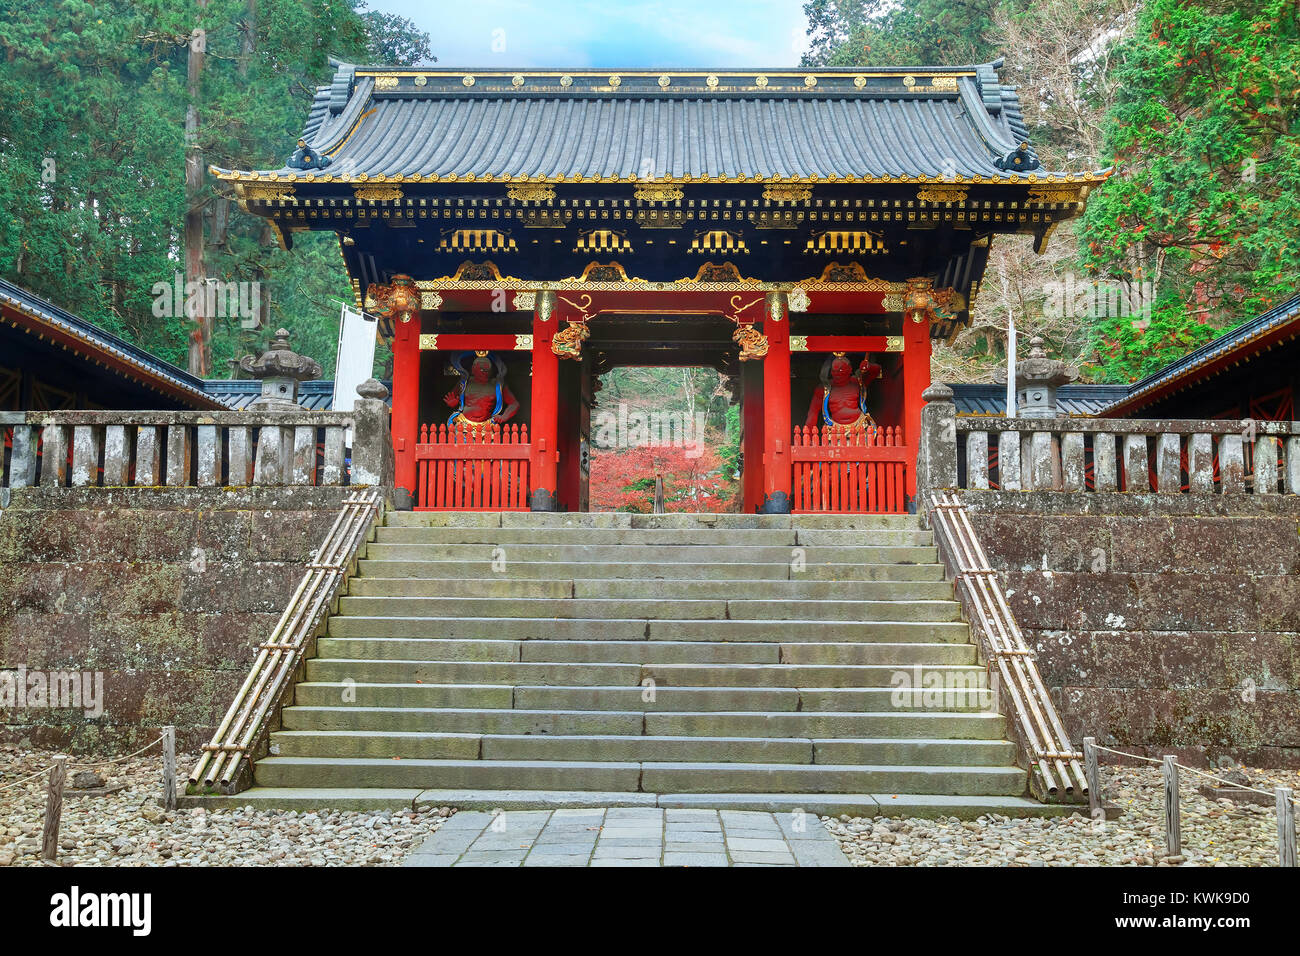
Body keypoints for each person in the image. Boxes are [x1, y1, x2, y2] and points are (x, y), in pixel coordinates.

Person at [805, 353, 882, 429]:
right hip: (835, 428)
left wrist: (868, 366)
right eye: (834, 371)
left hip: (858, 425)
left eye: (841, 370)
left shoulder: (857, 382)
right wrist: (808, 435)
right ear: (831, 372)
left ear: (849, 370)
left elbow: (876, 370)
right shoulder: (824, 388)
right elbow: (813, 412)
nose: (838, 374)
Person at [444, 351, 519, 427]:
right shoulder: (464, 383)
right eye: (481, 369)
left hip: (487, 425)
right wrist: (452, 404)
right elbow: (451, 399)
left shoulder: (497, 385)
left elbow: (514, 404)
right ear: (473, 369)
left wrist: (504, 416)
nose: (484, 373)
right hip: (464, 423)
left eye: (487, 370)